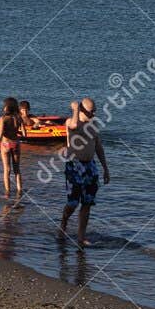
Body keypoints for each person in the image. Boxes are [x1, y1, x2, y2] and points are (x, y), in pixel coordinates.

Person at [59, 98, 109, 245]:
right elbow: (74, 125)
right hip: (74, 166)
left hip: (90, 167)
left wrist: (106, 168)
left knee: (87, 203)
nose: (94, 114)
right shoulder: (71, 122)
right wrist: (75, 109)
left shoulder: (93, 125)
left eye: (95, 111)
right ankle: (64, 222)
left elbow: (98, 147)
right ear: (82, 110)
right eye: (91, 111)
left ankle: (81, 237)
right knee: (73, 203)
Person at [0, 96, 23, 198]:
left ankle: (7, 193)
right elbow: (22, 133)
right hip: (15, 143)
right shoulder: (18, 118)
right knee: (17, 170)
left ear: (7, 107)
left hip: (6, 144)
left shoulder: (3, 119)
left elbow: (0, 134)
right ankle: (20, 191)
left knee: (6, 170)